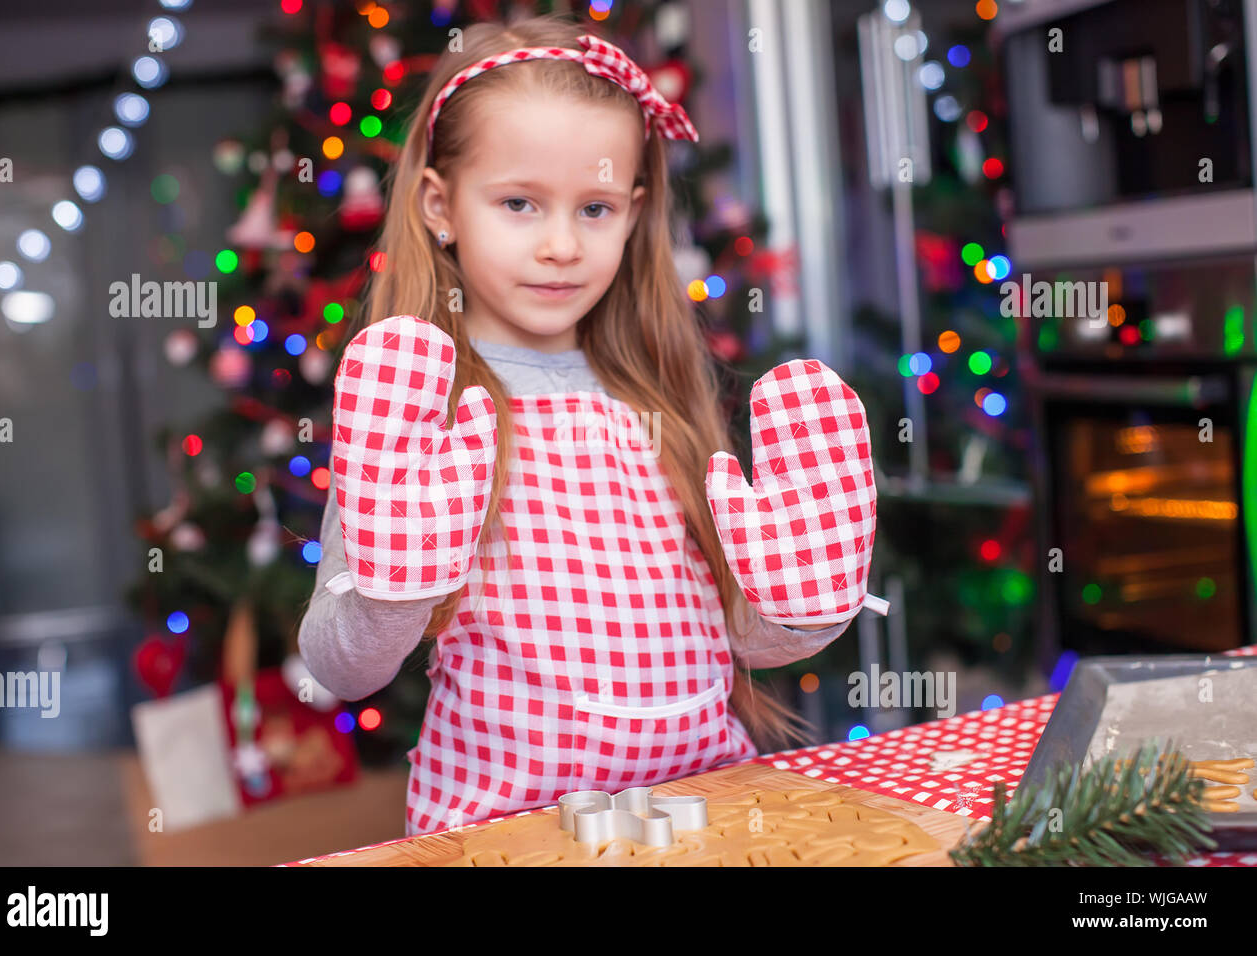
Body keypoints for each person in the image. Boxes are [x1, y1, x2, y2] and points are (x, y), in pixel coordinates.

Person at [298, 12, 885, 837]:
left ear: (636, 210)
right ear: (440, 205)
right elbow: (336, 668)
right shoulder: (412, 415)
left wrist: (801, 611)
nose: (562, 245)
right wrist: (396, 596)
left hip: (699, 823)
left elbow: (734, 640)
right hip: (497, 839)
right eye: (519, 203)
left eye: (597, 208)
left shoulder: (663, 404)